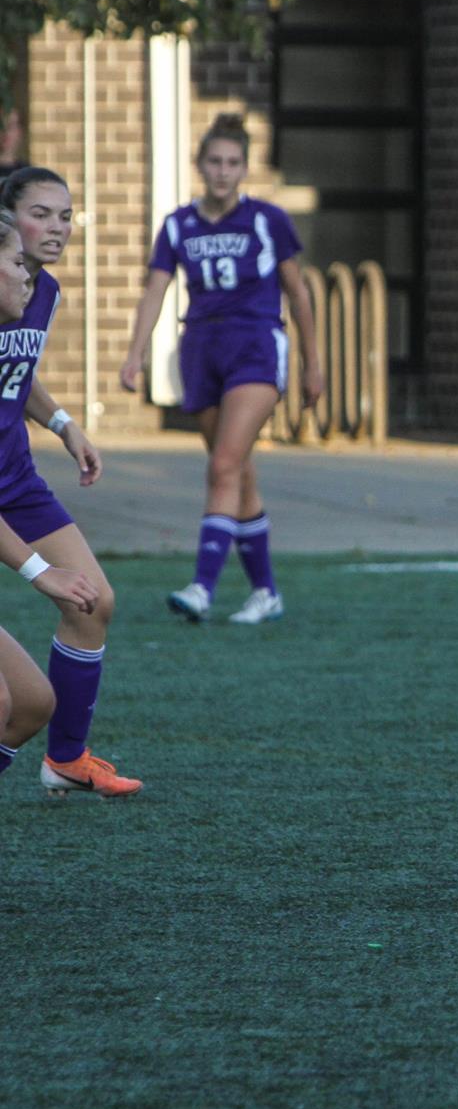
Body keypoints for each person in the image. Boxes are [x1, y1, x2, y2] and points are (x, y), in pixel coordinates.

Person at [118, 113, 324, 623]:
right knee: (237, 471)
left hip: (254, 345)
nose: (223, 172)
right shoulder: (178, 224)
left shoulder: (268, 220)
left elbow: (298, 293)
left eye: (233, 163)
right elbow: (156, 289)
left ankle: (202, 588)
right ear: (200, 165)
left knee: (224, 465)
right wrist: (134, 353)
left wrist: (314, 364)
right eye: (214, 161)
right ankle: (266, 592)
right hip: (201, 349)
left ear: (245, 169)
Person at [0, 181, 139, 796]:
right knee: (17, 697)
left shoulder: (39, 291)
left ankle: (66, 758)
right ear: (9, 219)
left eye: (66, 216)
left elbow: (18, 370)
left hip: (14, 478)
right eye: (40, 215)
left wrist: (62, 424)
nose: (56, 227)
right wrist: (36, 571)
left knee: (94, 602)